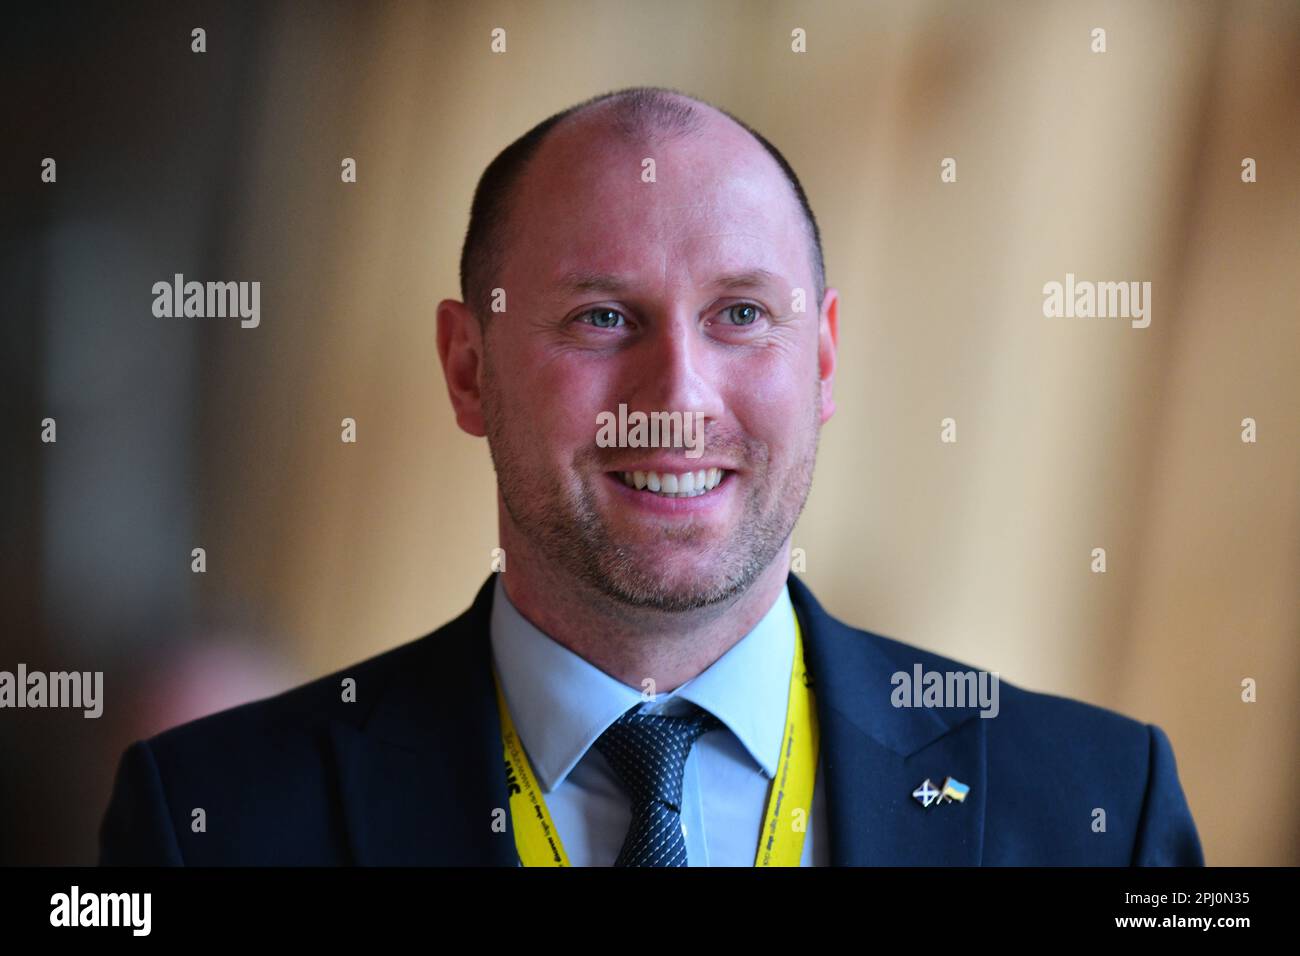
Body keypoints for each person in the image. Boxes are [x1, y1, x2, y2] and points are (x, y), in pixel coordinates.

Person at [99, 86, 1203, 866]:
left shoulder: (1099, 807)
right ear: (466, 366)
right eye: (602, 317)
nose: (676, 393)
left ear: (820, 360)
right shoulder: (214, 819)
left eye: (739, 315)